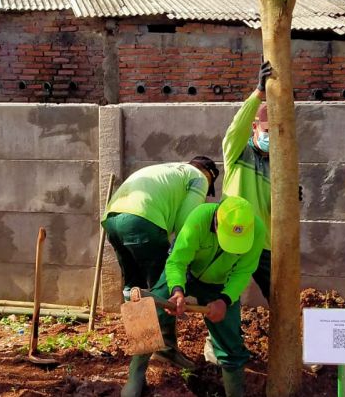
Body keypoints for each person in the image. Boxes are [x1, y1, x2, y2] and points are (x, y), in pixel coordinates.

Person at [121, 196, 267, 397]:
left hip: (221, 284)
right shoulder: (199, 218)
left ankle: (234, 392)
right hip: (187, 272)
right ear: (216, 222)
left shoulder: (257, 230)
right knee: (147, 314)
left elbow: (243, 271)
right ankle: (136, 374)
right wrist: (177, 291)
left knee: (231, 340)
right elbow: (177, 261)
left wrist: (225, 300)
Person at [103, 157, 219, 369]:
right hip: (144, 219)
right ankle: (165, 350)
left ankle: (142, 346)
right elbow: (186, 224)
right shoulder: (199, 178)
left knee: (135, 288)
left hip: (112, 218)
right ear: (208, 174)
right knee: (163, 285)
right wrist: (187, 258)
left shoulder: (169, 170)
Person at [222, 61, 273, 302]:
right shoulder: (237, 152)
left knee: (278, 295)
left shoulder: (279, 165)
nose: (271, 137)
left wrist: (291, 198)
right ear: (255, 127)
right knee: (225, 296)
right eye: (267, 131)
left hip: (264, 242)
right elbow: (236, 127)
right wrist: (258, 93)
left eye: (276, 133)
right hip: (232, 234)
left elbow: (275, 210)